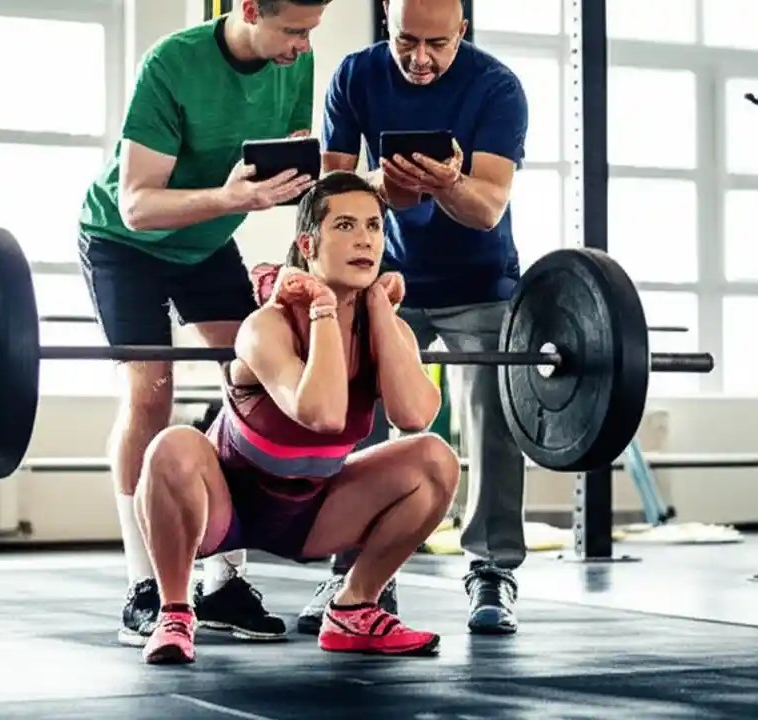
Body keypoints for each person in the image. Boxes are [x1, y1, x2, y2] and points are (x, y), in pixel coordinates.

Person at [75, 0, 334, 649]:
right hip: (123, 243)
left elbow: (290, 166)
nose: (303, 47)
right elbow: (136, 205)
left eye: (312, 31)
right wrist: (232, 198)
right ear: (249, 8)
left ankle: (222, 582)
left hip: (206, 244)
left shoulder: (292, 60)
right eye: (294, 30)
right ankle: (145, 588)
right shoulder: (172, 64)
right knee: (149, 392)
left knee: (253, 384)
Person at [134, 171, 461, 665]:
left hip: (314, 514)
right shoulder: (265, 327)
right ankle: (175, 613)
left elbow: (415, 415)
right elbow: (322, 414)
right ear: (308, 243)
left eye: (374, 227)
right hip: (224, 512)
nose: (365, 240)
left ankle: (354, 608)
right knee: (172, 447)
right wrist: (325, 310)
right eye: (346, 226)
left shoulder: (384, 327)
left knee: (436, 461)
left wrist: (377, 312)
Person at [298, 0, 530, 636]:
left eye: (436, 44)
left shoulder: (496, 87)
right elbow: (329, 194)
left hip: (479, 282)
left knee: (493, 419)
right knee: (356, 418)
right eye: (406, 42)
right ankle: (359, 576)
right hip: (384, 280)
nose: (420, 58)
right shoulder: (354, 76)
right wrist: (382, 190)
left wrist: (447, 184)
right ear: (387, 29)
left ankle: (492, 570)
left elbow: (486, 207)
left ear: (462, 32)